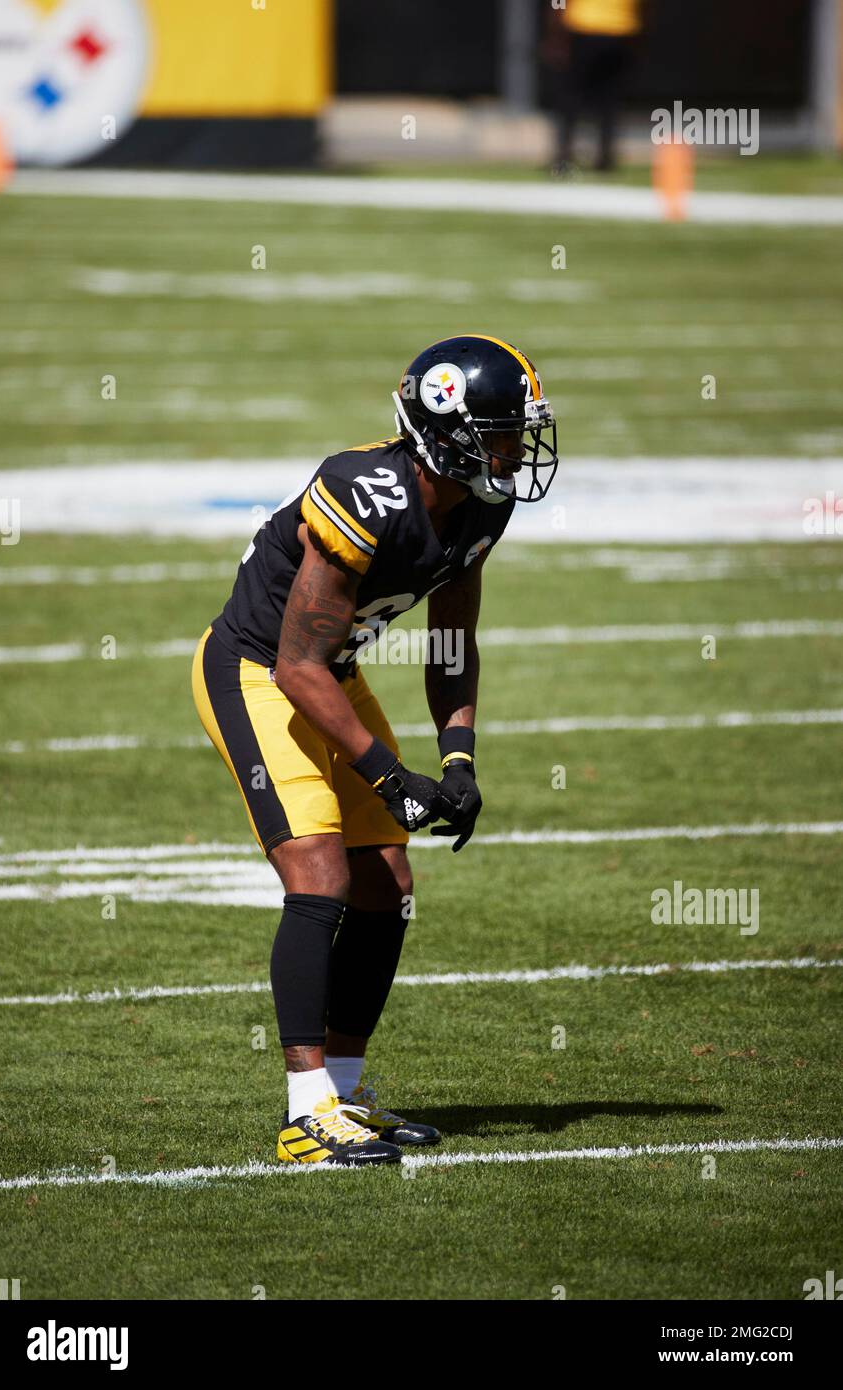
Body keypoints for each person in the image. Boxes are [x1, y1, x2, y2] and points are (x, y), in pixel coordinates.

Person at [191, 334, 558, 1165]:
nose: (513, 451)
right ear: (444, 430)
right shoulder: (362, 492)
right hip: (258, 669)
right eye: (498, 433)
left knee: (386, 881)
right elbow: (293, 664)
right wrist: (390, 776)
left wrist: (458, 757)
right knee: (318, 870)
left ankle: (347, 1093)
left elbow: (452, 643)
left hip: (332, 668)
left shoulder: (479, 506)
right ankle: (305, 1110)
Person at [546, 0, 645, 172]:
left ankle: (564, 154)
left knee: (571, 95)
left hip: (583, 28)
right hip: (621, 30)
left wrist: (556, 32)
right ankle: (605, 156)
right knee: (610, 98)